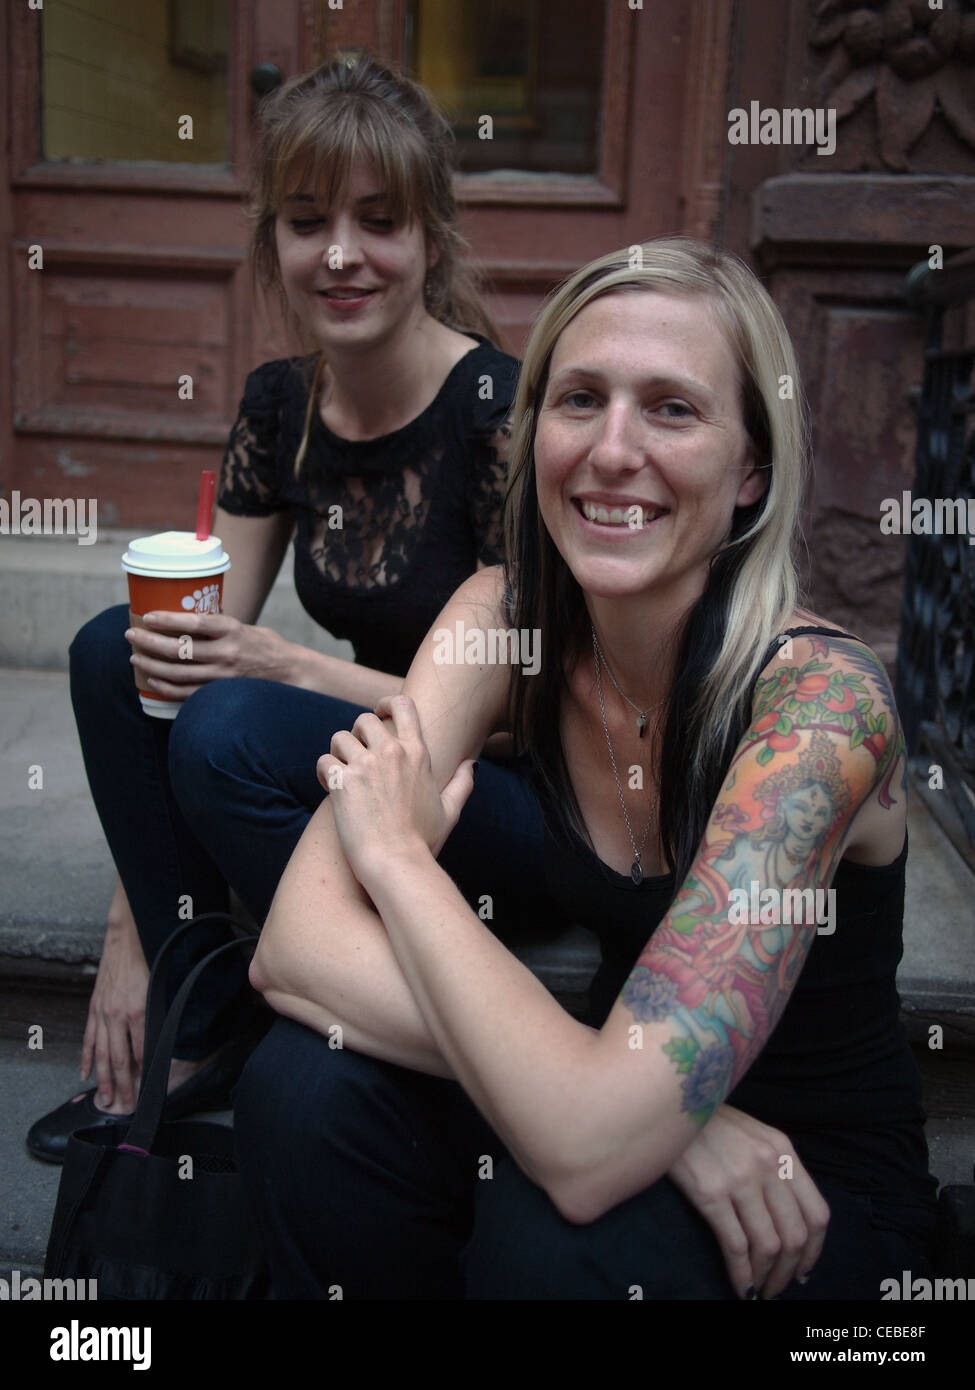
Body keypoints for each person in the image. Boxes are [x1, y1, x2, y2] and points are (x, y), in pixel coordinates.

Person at [235, 237, 938, 1300]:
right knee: (302, 1087)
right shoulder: (502, 616)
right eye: (579, 400)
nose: (612, 450)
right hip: (609, 1088)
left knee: (557, 1229)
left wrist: (400, 862)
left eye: (672, 409)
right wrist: (662, 1115)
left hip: (810, 1202)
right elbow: (294, 950)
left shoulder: (821, 708)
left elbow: (584, 1152)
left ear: (750, 470)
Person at [26, 52, 539, 1162]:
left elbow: (533, 718)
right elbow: (177, 654)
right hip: (372, 757)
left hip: (491, 789)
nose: (341, 254)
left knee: (228, 726)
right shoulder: (279, 405)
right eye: (308, 222)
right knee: (117, 648)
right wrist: (136, 922)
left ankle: (366, 995)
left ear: (431, 238)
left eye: (378, 221)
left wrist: (293, 668)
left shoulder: (496, 412)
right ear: (274, 244)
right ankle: (202, 1013)